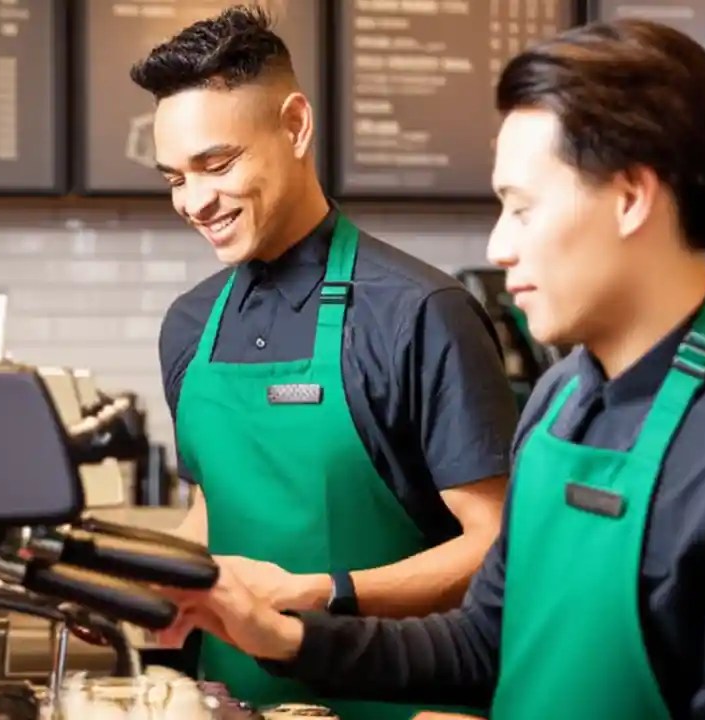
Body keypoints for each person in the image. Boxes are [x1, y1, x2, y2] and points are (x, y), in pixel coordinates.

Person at [155, 17, 705, 720]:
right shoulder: (560, 401)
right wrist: (278, 632)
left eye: (522, 208)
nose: (500, 245)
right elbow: (484, 644)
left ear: (631, 197)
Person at [129, 5, 520, 718]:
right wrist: (142, 584)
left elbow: (495, 546)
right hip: (228, 704)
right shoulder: (189, 323)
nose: (194, 200)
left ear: (296, 125)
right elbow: (212, 511)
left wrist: (320, 593)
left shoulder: (420, 313)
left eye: (217, 164)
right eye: (175, 177)